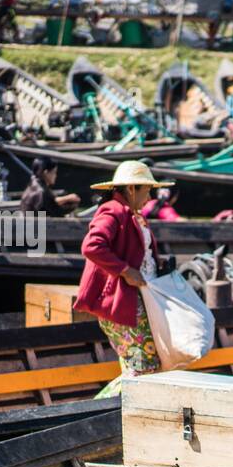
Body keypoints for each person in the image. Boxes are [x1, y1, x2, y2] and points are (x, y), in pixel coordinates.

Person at [73, 160, 172, 388]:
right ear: (131, 189)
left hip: (137, 302)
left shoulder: (133, 214)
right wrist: (125, 271)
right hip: (122, 304)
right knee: (143, 370)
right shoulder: (113, 211)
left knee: (141, 367)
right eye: (147, 191)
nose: (149, 198)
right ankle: (103, 411)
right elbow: (92, 246)